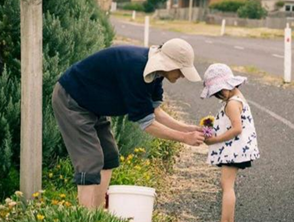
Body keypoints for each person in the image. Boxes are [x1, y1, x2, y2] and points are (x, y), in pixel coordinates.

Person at [52, 38, 205, 209]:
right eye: (181, 71)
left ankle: (97, 213)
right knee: (90, 159)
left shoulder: (155, 74)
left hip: (94, 105)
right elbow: (148, 124)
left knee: (109, 156)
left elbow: (156, 111)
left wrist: (188, 128)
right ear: (169, 64)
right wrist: (184, 138)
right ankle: (85, 220)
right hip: (72, 99)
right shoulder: (136, 69)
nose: (183, 76)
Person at [200, 63, 260, 222]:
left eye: (219, 92)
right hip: (236, 149)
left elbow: (236, 128)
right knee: (227, 184)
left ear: (227, 86)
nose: (218, 95)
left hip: (234, 150)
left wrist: (215, 140)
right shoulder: (237, 98)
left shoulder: (232, 103)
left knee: (227, 185)